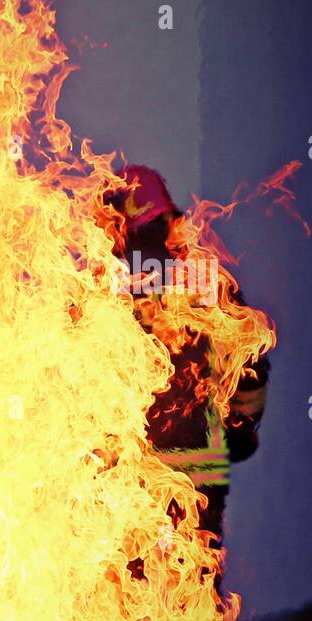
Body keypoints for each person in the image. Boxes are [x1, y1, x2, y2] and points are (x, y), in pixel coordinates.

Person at [105, 166, 268, 559]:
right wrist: (242, 430)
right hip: (202, 469)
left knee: (133, 584)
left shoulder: (111, 286)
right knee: (195, 571)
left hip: (133, 473)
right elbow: (252, 361)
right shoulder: (208, 280)